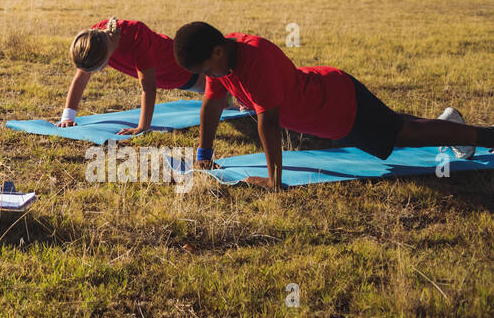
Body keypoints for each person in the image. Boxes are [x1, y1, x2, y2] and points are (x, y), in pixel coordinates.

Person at [172, 22, 493, 190]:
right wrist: (204, 156)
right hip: (325, 112)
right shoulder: (221, 63)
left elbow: (267, 123)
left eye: (204, 69)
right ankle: (453, 124)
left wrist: (274, 181)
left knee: (401, 136)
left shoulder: (254, 58)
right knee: (399, 131)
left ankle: (482, 136)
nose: (206, 78)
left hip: (339, 104)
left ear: (216, 52)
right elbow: (212, 105)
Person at [62, 17, 218, 135]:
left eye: (99, 68)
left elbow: (148, 88)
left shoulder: (135, 36)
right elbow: (81, 79)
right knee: (217, 91)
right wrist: (68, 117)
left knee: (217, 88)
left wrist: (142, 127)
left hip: (177, 68)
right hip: (159, 73)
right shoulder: (94, 40)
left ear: (107, 53)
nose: (97, 72)